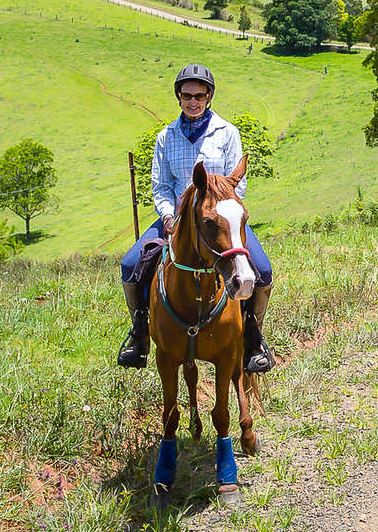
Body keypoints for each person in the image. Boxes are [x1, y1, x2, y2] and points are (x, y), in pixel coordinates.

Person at [117, 64, 275, 373]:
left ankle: (253, 339)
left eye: (199, 95)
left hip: (217, 221)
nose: (193, 101)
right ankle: (140, 335)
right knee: (130, 265)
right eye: (186, 95)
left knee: (264, 271)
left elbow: (237, 182)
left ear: (209, 96)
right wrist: (168, 215)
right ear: (178, 97)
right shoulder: (166, 137)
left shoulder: (227, 133)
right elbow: (160, 184)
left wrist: (220, 211)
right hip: (175, 220)